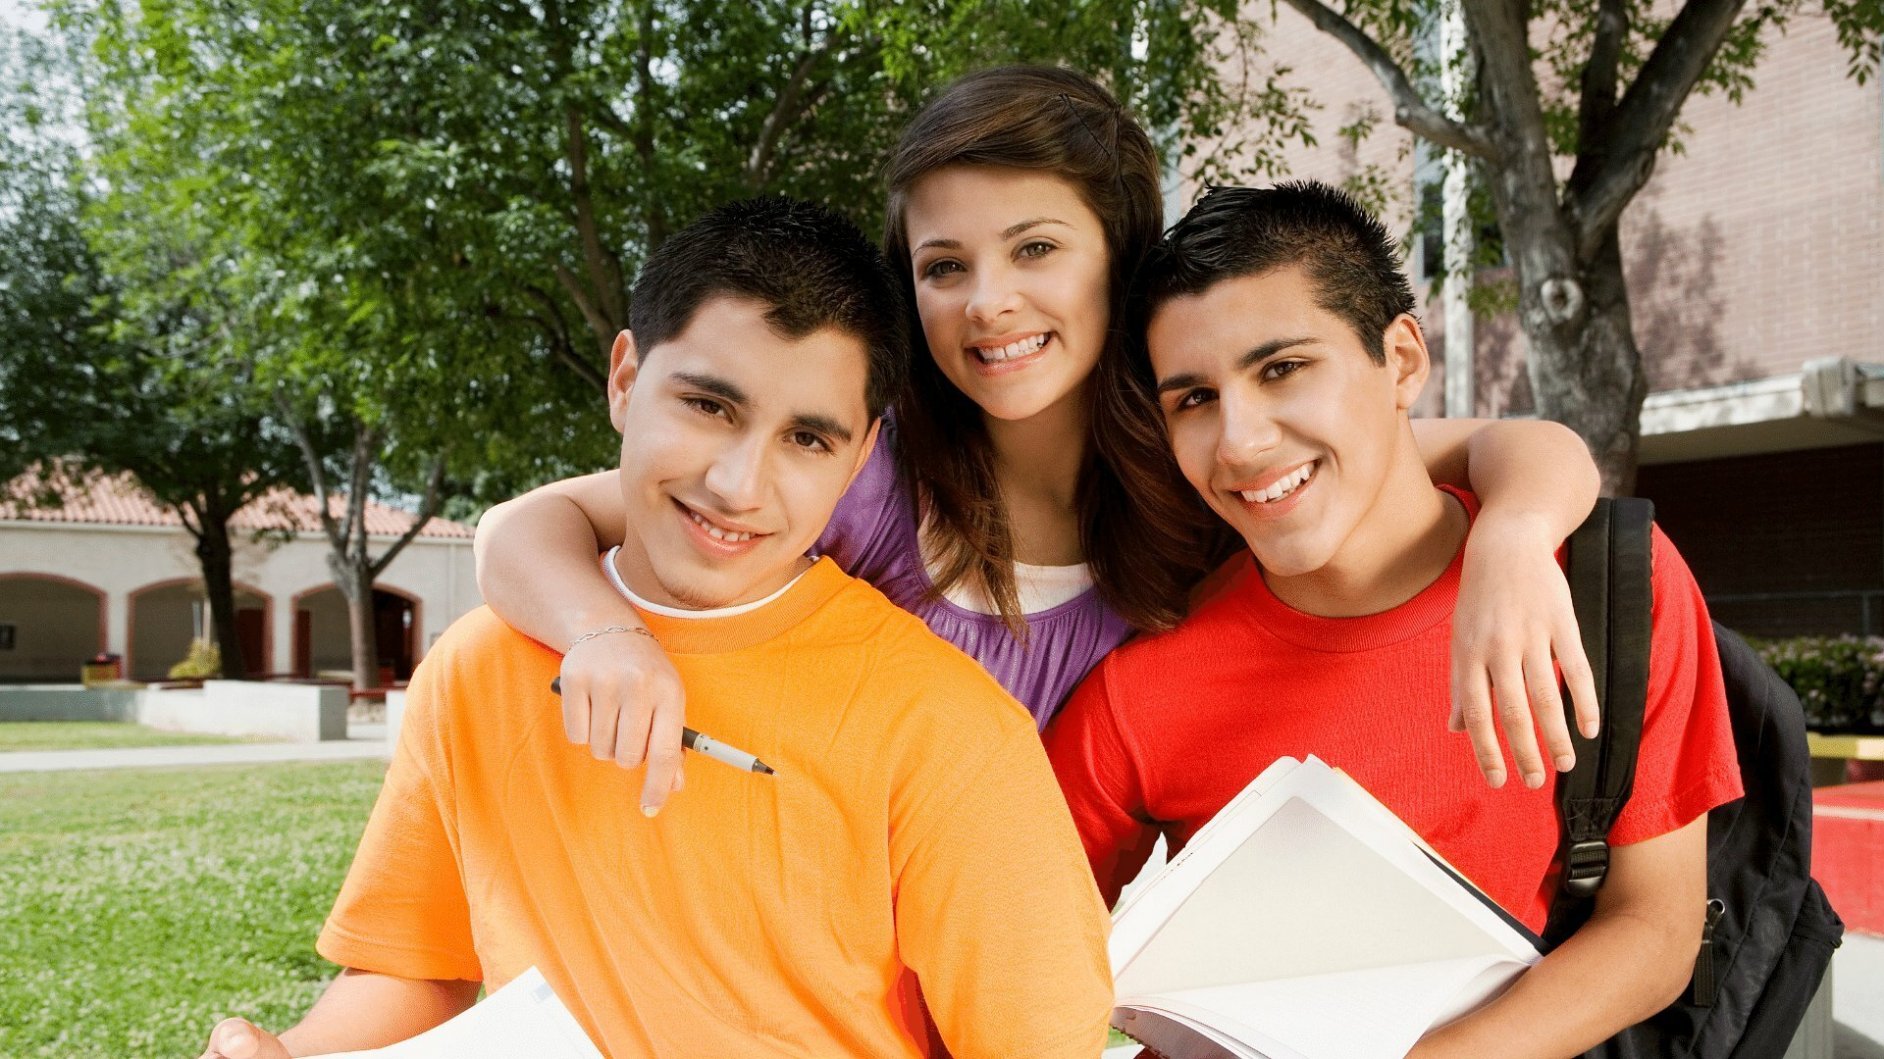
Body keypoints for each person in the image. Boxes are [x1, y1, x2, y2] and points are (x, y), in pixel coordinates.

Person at [474, 65, 1604, 818]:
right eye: (944, 267)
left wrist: (1511, 543)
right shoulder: (862, 469)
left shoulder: (1206, 465)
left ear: (1119, 254)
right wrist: (601, 635)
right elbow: (526, 526)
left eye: (1035, 250)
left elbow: (1523, 446)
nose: (988, 304)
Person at [197, 198, 1113, 1059]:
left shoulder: (946, 723)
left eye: (807, 438)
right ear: (626, 379)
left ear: (861, 455)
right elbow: (415, 968)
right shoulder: (476, 669)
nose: (738, 486)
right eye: (710, 406)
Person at [1044, 182, 1743, 1056]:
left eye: (1282, 368)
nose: (1240, 442)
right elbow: (1023, 960)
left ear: (1403, 360)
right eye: (1193, 399)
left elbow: (1657, 928)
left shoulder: (1603, 589)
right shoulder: (1139, 686)